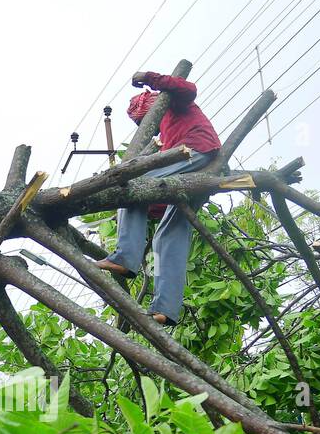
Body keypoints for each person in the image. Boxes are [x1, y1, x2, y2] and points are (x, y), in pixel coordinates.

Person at [93, 70, 223, 327]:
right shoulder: (166, 133)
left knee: (132, 185)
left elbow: (189, 88)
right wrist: (150, 205)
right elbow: (162, 183)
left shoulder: (174, 99)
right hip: (194, 169)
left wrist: (149, 77)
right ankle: (165, 308)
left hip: (197, 151)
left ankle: (124, 258)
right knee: (169, 236)